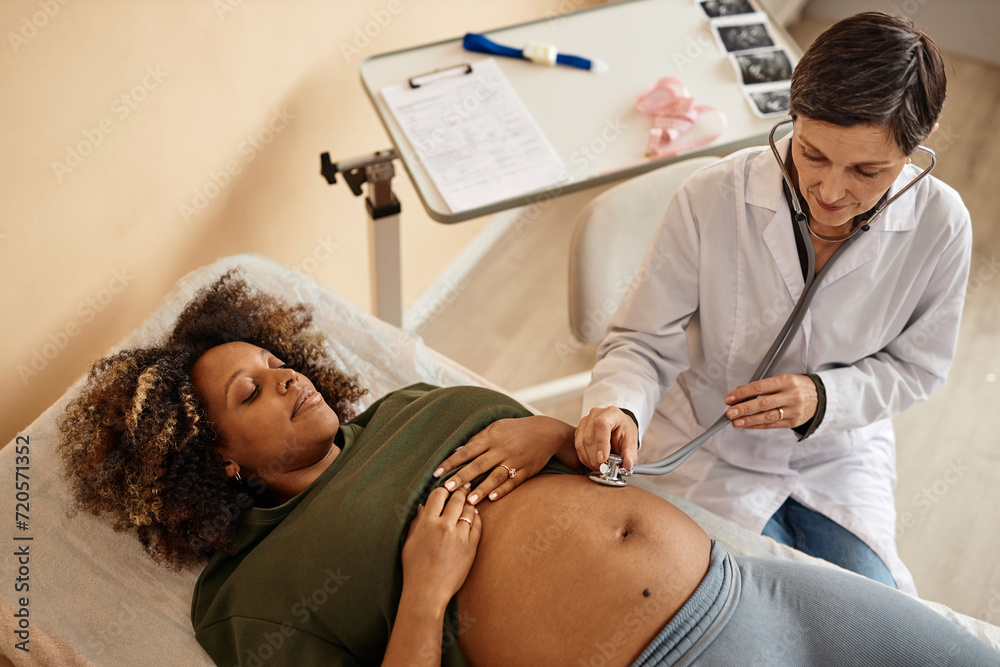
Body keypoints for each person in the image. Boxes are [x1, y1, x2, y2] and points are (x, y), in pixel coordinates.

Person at [57, 271, 999, 666]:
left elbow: (591, 469)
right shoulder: (249, 591)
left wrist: (551, 432)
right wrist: (424, 593)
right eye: (251, 394)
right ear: (214, 459)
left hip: (753, 591)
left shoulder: (408, 409)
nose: (288, 377)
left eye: (274, 363)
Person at [576, 12, 970, 594]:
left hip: (837, 453)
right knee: (732, 607)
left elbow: (919, 366)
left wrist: (824, 397)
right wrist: (619, 408)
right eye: (812, 155)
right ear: (792, 118)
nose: (831, 192)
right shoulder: (712, 198)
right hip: (706, 445)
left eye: (867, 171)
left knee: (869, 615)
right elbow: (641, 341)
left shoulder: (941, 225)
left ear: (916, 147)